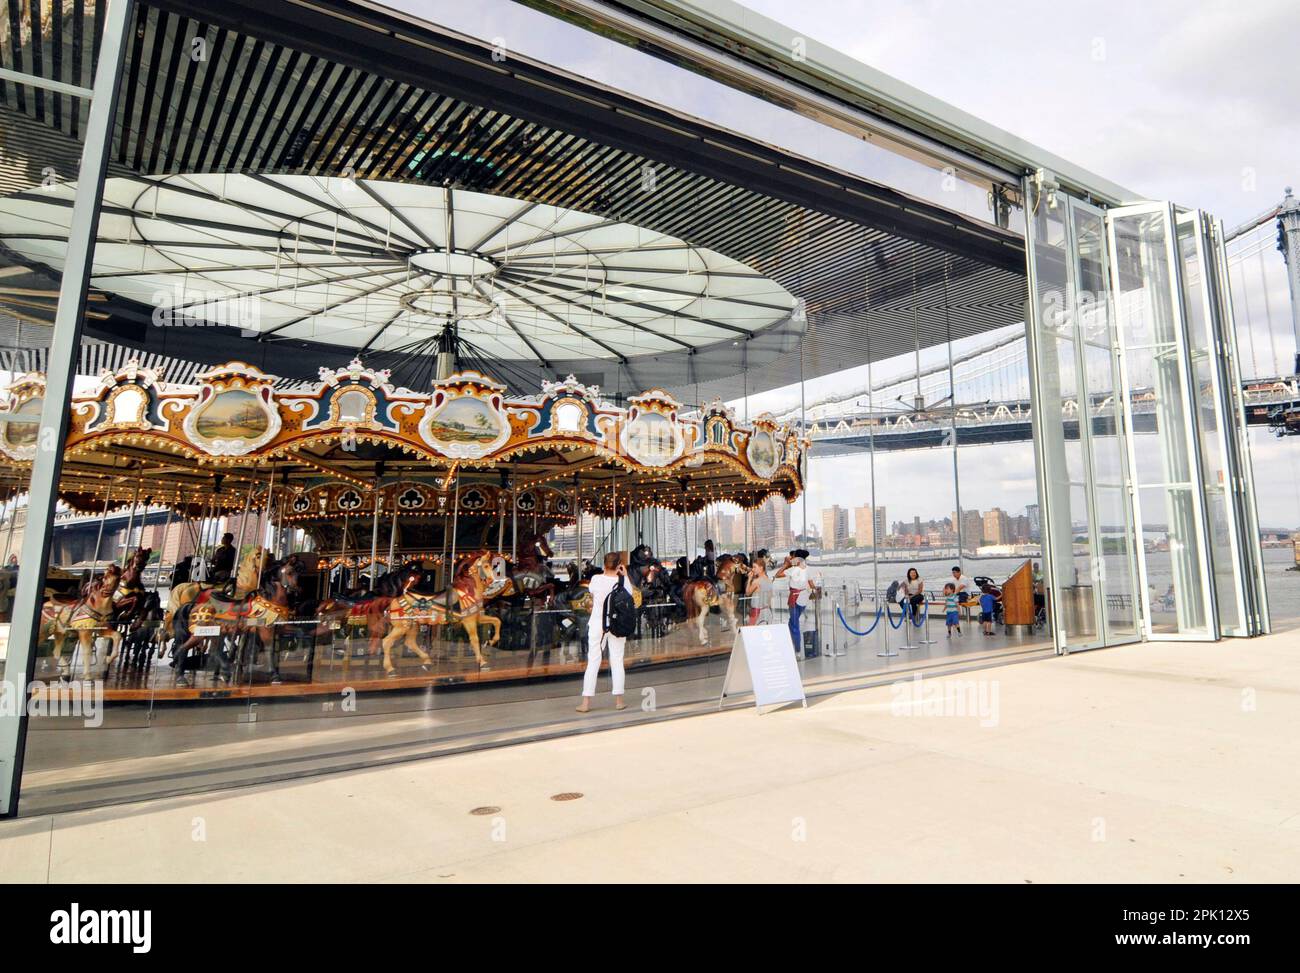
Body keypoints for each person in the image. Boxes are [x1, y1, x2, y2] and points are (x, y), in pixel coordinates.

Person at [576, 552, 635, 714]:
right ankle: (619, 701)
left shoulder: (596, 579)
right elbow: (630, 595)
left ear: (604, 564)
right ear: (619, 565)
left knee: (593, 662)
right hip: (617, 626)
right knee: (617, 661)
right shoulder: (622, 581)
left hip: (597, 625)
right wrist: (624, 574)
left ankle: (586, 702)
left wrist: (605, 572)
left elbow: (594, 592)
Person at [775, 553, 815, 654]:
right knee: (793, 620)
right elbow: (812, 584)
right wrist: (814, 592)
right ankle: (789, 641)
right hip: (804, 597)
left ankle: (797, 649)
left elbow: (777, 575)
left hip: (794, 598)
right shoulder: (807, 570)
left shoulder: (792, 570)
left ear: (797, 561)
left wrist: (785, 565)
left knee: (794, 623)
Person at [745, 555, 773, 625]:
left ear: (761, 568)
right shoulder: (769, 580)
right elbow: (770, 597)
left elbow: (747, 593)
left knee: (752, 632)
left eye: (754, 567)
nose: (752, 569)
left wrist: (749, 579)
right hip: (767, 611)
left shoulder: (757, 581)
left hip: (757, 611)